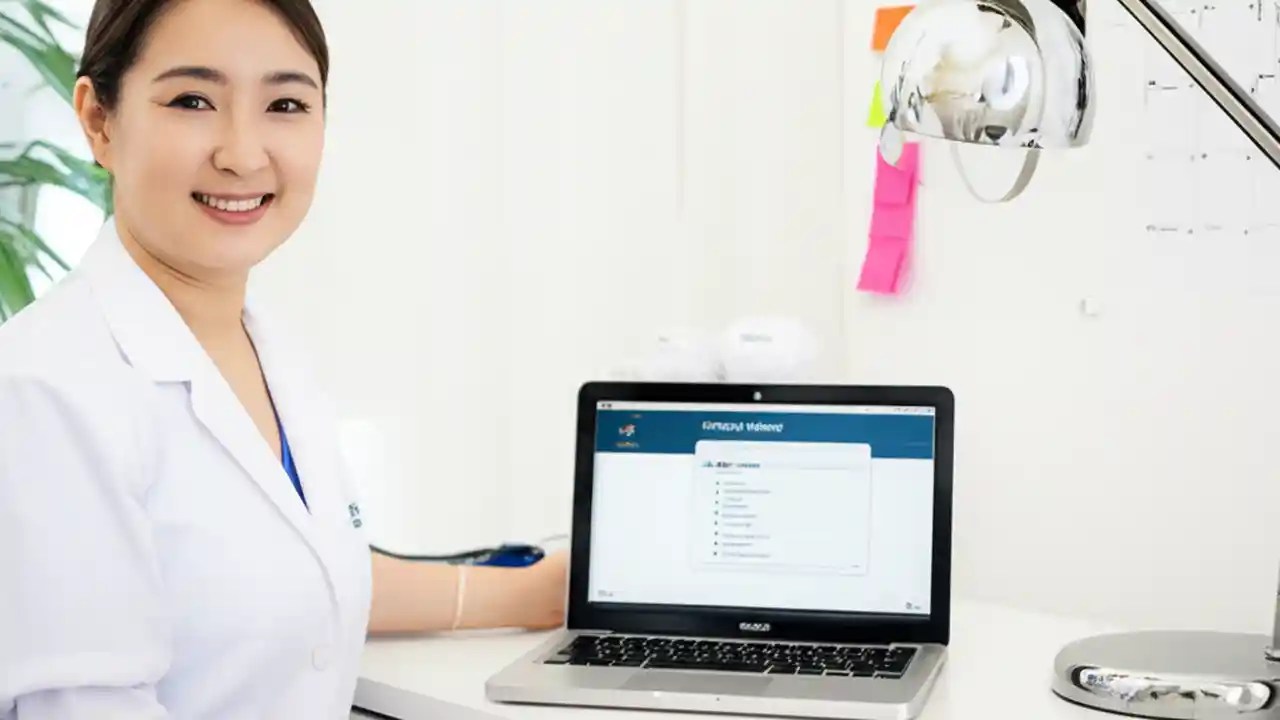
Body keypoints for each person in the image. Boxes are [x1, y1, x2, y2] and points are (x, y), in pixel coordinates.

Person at [0, 0, 567, 717]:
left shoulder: (260, 345)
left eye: (286, 104)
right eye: (193, 100)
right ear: (99, 120)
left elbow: (280, 569)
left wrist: (534, 591)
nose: (242, 152)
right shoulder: (46, 391)